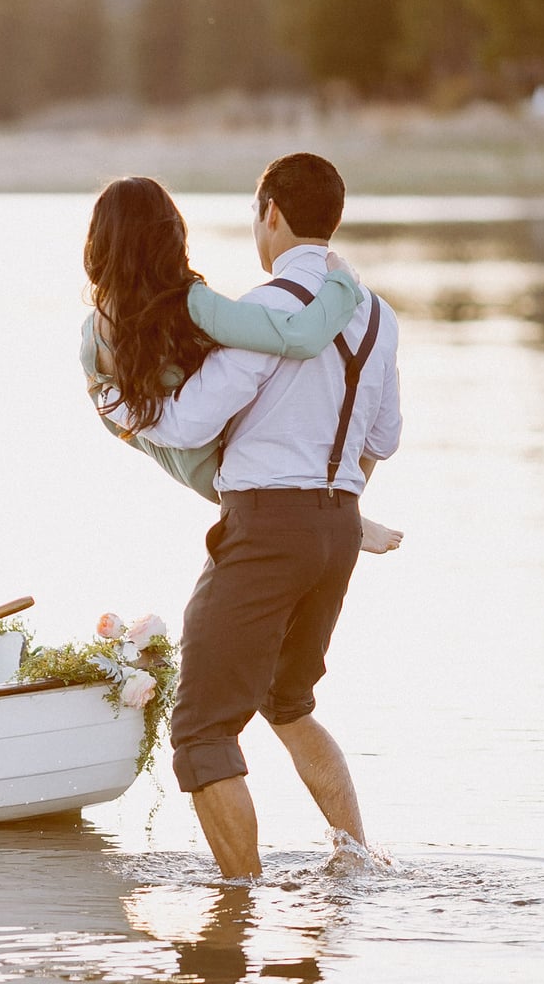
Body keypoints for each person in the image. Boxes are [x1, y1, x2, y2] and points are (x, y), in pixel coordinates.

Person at [94, 156, 403, 879]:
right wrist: (337, 502)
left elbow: (186, 422)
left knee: (200, 730)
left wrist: (113, 407)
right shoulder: (377, 312)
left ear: (270, 212)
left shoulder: (263, 308)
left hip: (266, 529)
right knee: (287, 700)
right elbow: (382, 438)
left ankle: (240, 901)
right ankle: (356, 863)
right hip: (339, 530)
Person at [79, 175, 402, 553]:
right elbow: (301, 337)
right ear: (171, 235)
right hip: (204, 457)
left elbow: (110, 401)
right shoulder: (192, 304)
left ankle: (339, 512)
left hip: (142, 430)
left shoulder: (93, 327)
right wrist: (342, 284)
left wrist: (120, 403)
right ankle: (345, 514)